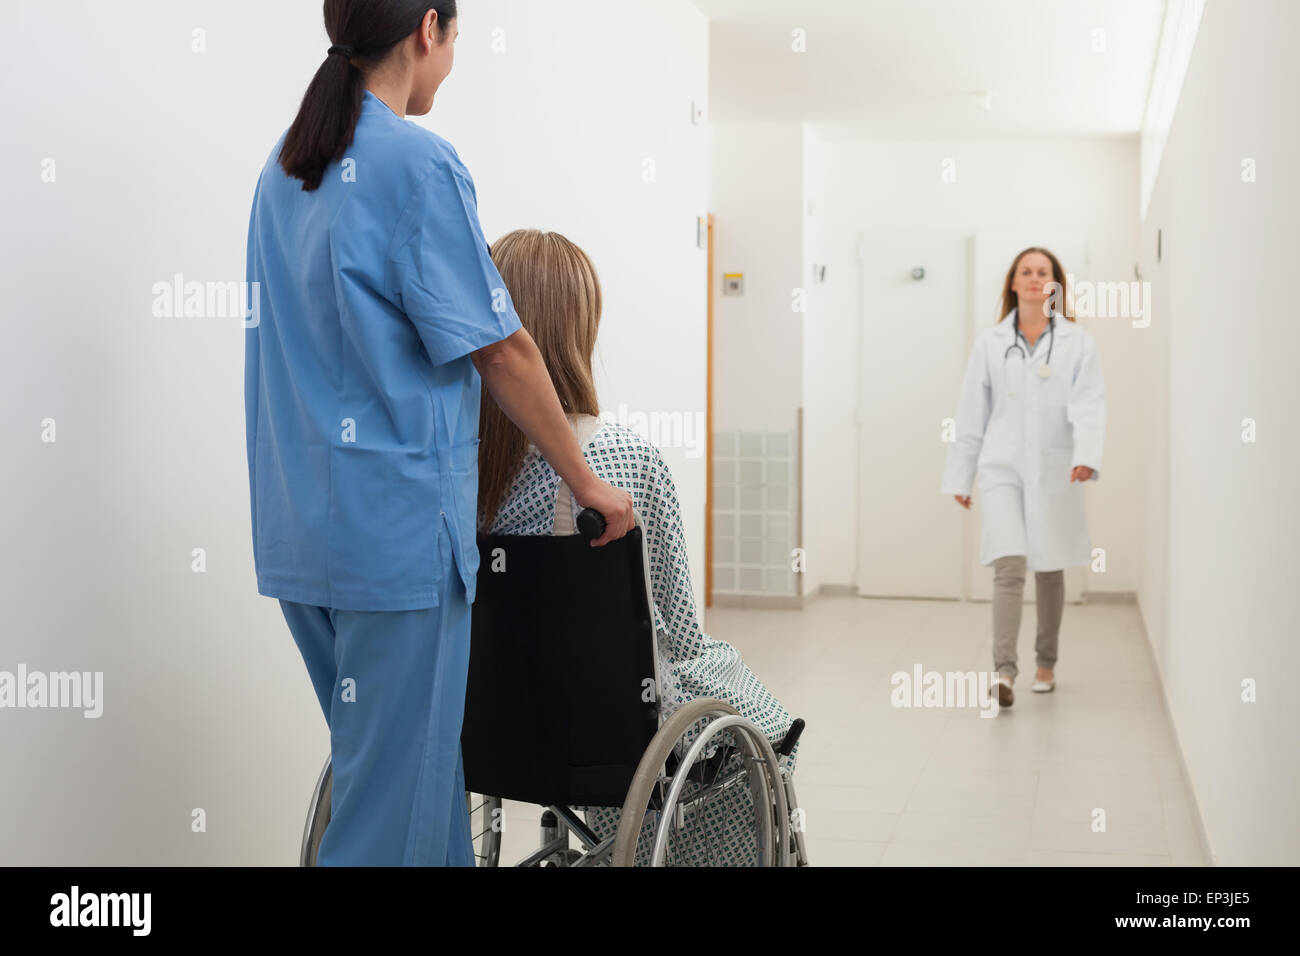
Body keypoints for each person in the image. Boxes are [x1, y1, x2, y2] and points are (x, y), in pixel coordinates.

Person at [244, 0, 633, 866]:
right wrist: (586, 483)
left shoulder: (283, 172)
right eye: (455, 38)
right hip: (395, 545)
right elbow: (503, 351)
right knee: (392, 822)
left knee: (409, 793)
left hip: (302, 535)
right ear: (429, 28)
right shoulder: (417, 163)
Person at [478, 229, 798, 865]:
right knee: (763, 724)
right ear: (580, 328)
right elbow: (678, 632)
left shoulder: (460, 464)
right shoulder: (618, 460)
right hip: (609, 732)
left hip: (493, 727)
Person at [940, 247, 1106, 707]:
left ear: (1056, 285)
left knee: (1050, 566)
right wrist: (961, 474)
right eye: (1026, 272)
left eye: (1044, 272)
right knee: (1009, 564)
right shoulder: (991, 342)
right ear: (1013, 283)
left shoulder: (1078, 342)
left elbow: (1091, 402)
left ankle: (1046, 663)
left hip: (1056, 466)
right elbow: (972, 409)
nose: (1035, 279)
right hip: (1001, 467)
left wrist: (1088, 455)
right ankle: (1004, 672)